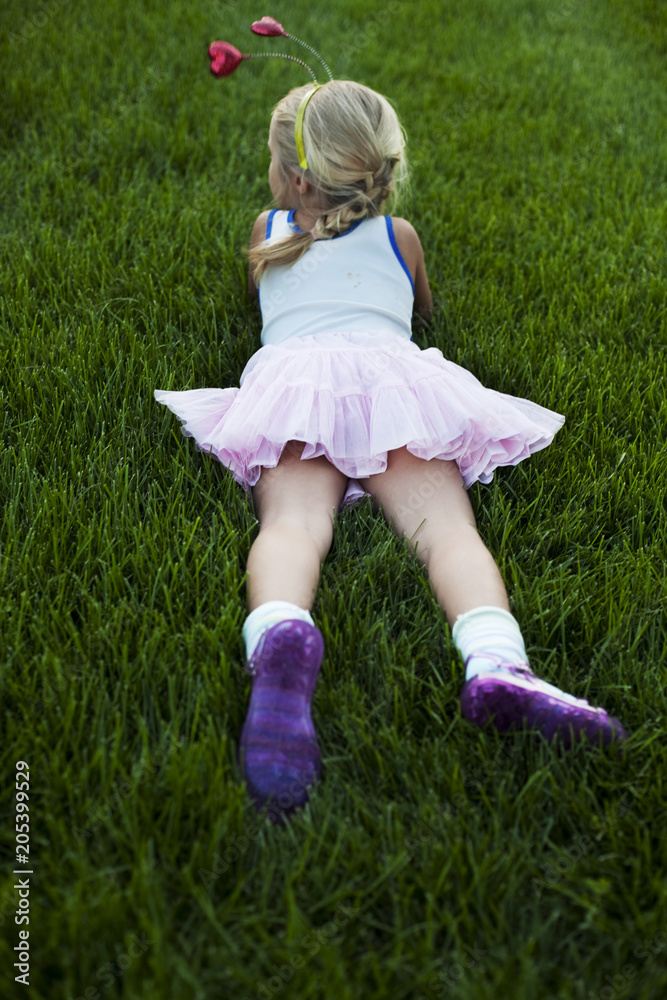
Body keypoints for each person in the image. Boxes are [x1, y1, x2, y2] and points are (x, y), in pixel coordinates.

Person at [155, 73, 626, 823]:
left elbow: (262, 299)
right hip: (394, 393)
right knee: (446, 532)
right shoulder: (399, 237)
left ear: (291, 177)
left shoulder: (266, 233)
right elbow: (420, 306)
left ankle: (280, 633)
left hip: (297, 391)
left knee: (292, 527)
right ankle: (496, 661)